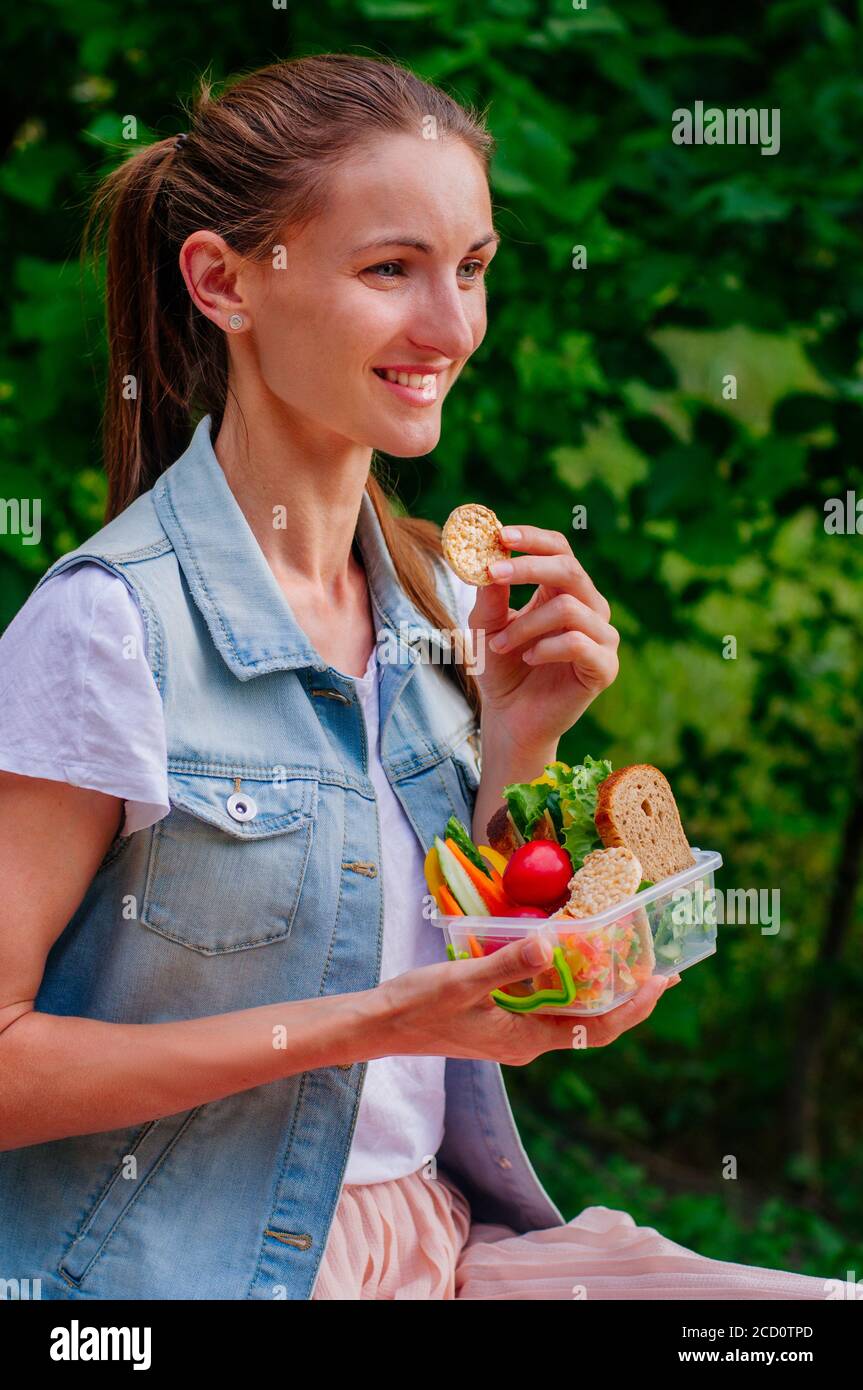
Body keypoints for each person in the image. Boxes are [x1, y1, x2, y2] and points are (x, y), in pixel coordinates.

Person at [0, 54, 851, 1301]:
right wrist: (380, 1019)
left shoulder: (444, 604)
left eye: (472, 267)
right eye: (389, 269)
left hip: (443, 1246)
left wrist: (520, 747)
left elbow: (475, 974)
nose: (451, 329)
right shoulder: (107, 631)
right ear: (223, 281)